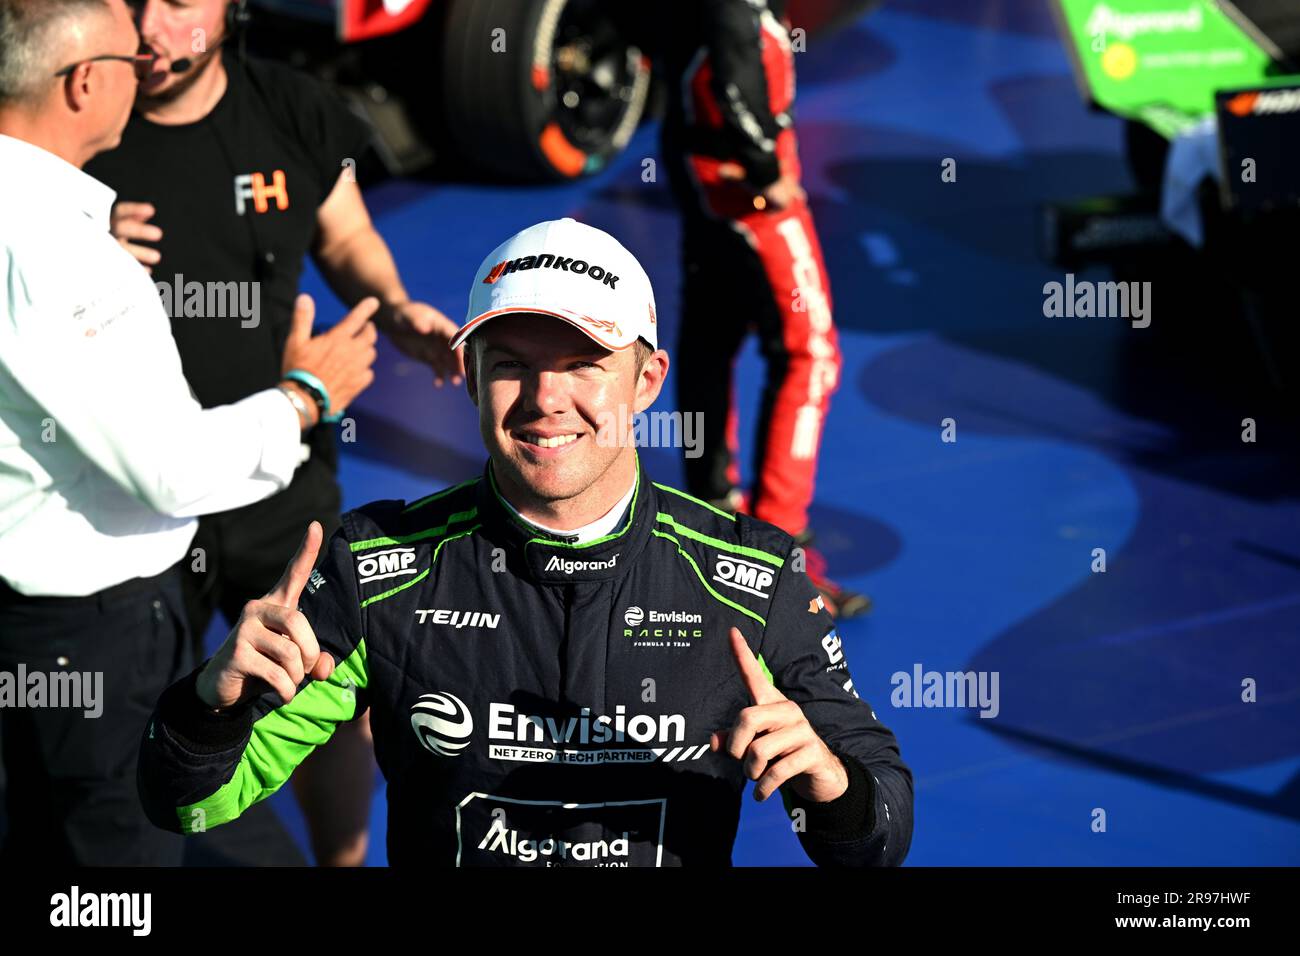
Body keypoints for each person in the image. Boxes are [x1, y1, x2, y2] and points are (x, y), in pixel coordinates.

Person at [138, 218, 912, 866]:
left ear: (646, 383)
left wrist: (831, 788)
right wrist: (211, 706)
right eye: (511, 365)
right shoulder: (376, 568)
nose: (546, 400)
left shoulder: (754, 574)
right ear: (469, 376)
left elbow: (877, 841)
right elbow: (191, 808)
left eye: (583, 365)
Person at [85, 0, 463, 866]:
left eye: (179, 4)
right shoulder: (80, 118)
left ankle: (340, 864)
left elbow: (349, 233)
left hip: (280, 470)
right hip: (131, 488)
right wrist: (73, 236)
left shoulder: (296, 110)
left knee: (315, 688)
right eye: (133, 1)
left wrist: (398, 307)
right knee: (136, 706)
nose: (148, 28)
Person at [0, 0, 375, 865]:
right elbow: (170, 470)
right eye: (129, 64)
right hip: (92, 641)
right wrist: (306, 394)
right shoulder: (70, 258)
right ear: (84, 83)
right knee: (115, 866)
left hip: (34, 630)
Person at [659, 0, 869, 618]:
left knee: (710, 338)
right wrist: (765, 168)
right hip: (747, 194)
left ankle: (714, 530)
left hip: (704, 178)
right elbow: (732, 66)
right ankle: (779, 558)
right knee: (812, 354)